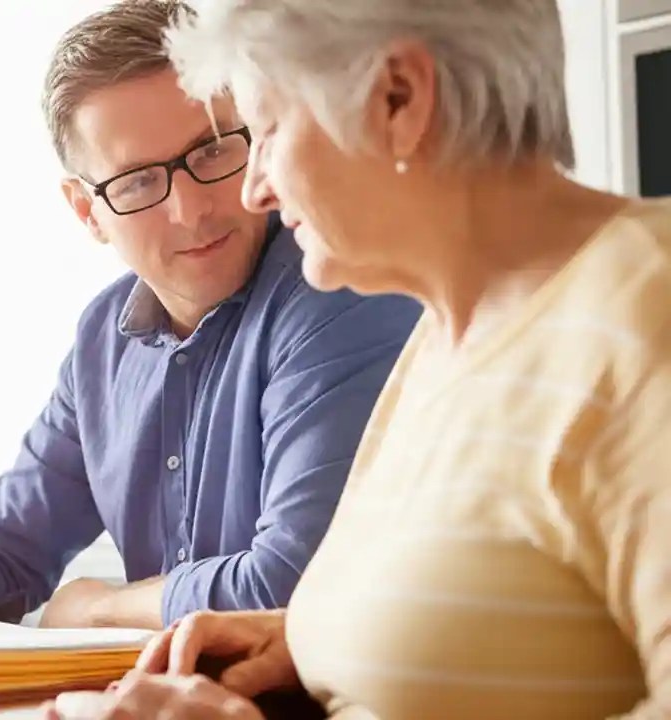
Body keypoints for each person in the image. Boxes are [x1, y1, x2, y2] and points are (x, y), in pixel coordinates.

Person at [44, 0, 671, 717]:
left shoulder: (646, 313)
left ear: (399, 99)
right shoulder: (447, 342)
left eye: (269, 127)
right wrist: (304, 641)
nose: (256, 188)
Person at [0, 0, 418, 631]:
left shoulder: (335, 287)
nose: (191, 209)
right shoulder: (104, 338)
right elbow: (4, 550)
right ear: (87, 210)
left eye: (212, 151)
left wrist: (101, 608)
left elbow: (293, 584)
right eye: (139, 181)